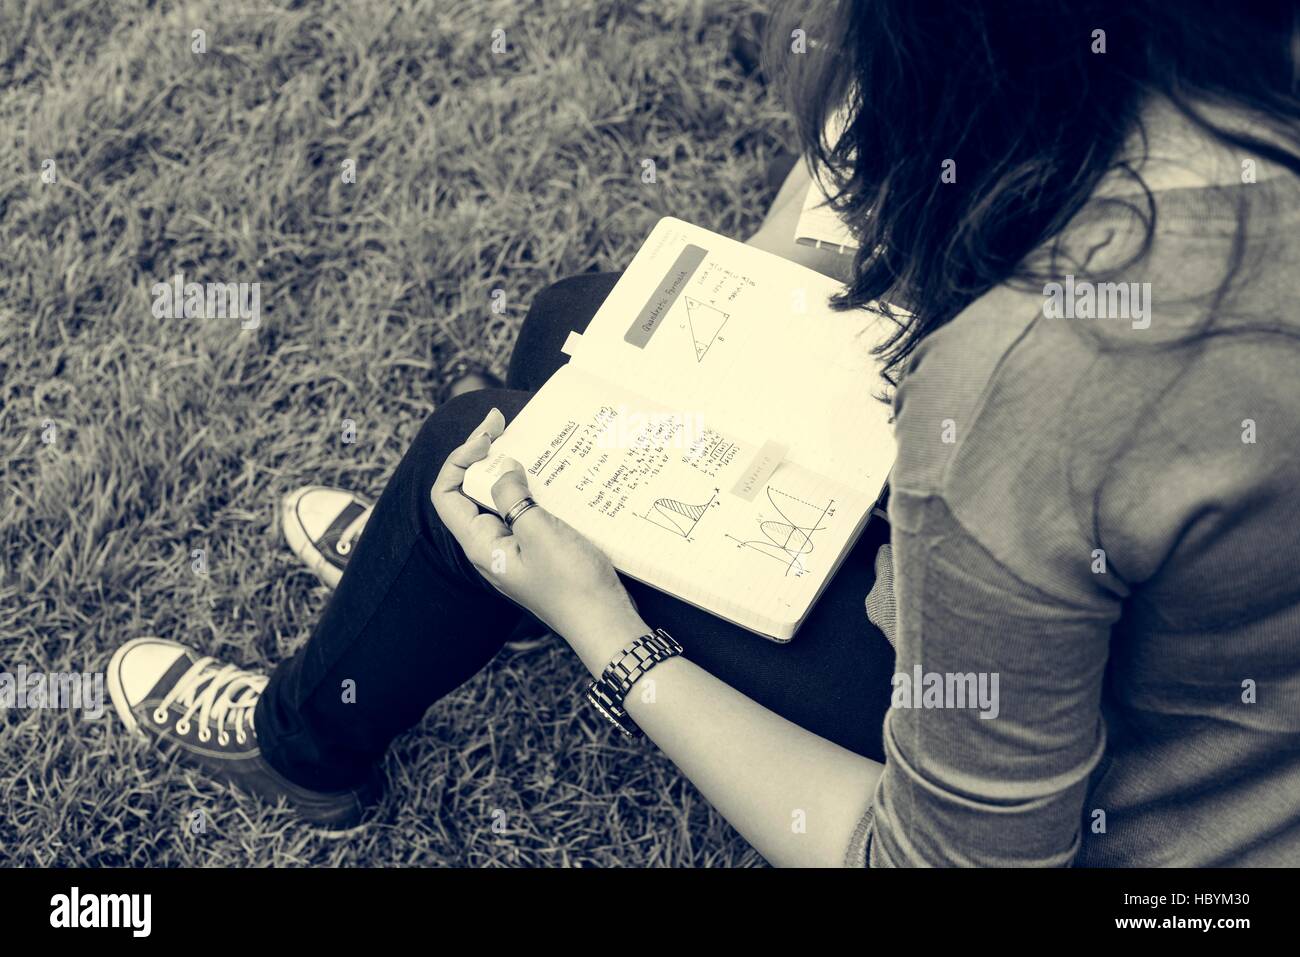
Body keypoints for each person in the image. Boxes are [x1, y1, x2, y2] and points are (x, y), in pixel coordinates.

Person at [108, 0, 1300, 866]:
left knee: (480, 458)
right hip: (1213, 709)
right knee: (576, 326)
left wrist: (606, 627)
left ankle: (302, 747)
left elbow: (933, 866)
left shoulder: (1025, 382)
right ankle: (470, 593)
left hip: (1137, 824)